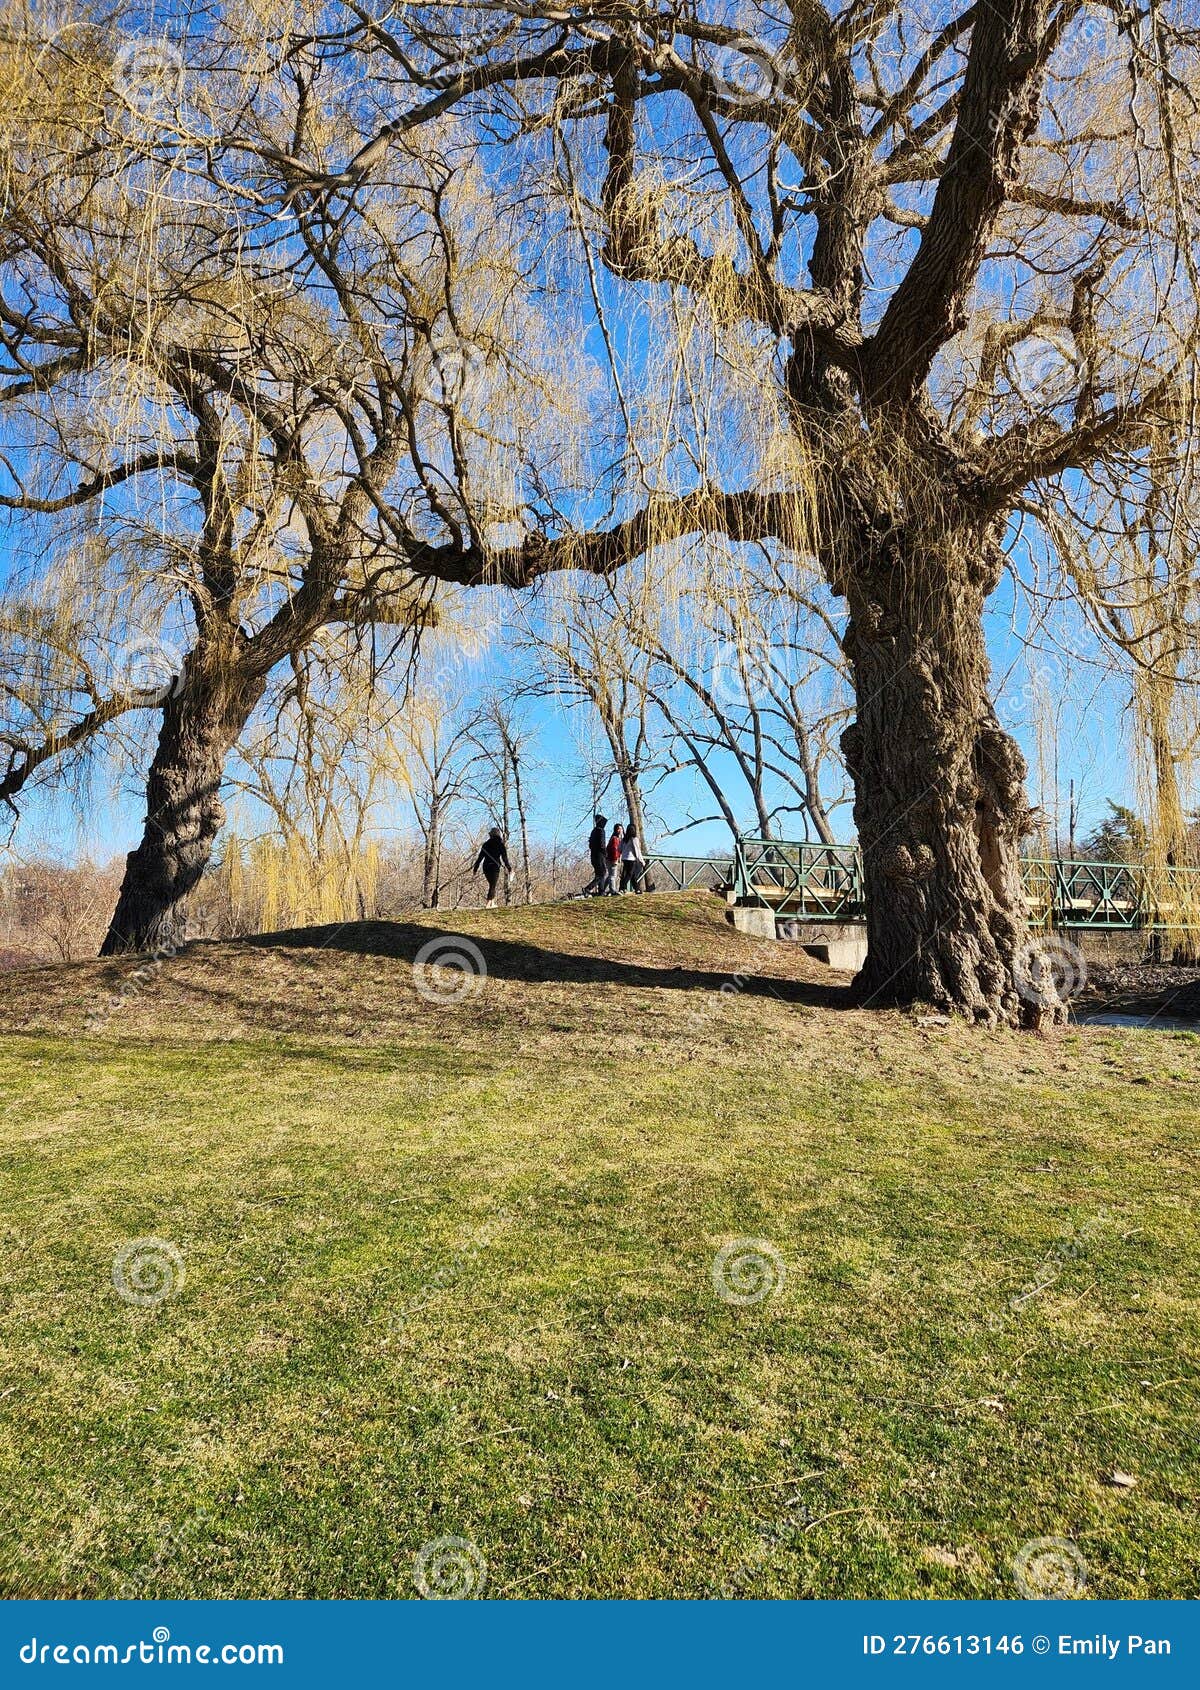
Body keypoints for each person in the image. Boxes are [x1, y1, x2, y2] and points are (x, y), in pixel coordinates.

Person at [473, 827, 511, 908]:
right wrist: (509, 868)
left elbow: (480, 858)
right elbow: (505, 858)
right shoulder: (501, 845)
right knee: (493, 885)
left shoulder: (485, 844)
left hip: (486, 867)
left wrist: (475, 869)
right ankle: (488, 904)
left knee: (492, 884)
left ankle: (492, 903)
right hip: (494, 867)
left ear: (491, 835)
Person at [584, 813, 608, 895]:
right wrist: (605, 853)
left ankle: (601, 891)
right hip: (599, 856)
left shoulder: (593, 831)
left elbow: (590, 845)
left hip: (593, 856)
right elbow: (602, 844)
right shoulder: (601, 831)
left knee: (599, 873)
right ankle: (588, 888)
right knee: (602, 873)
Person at [619, 822, 647, 893]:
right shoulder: (635, 839)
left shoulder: (624, 839)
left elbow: (619, 849)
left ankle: (637, 889)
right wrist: (642, 861)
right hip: (631, 859)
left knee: (631, 874)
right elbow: (637, 851)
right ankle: (622, 888)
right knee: (629, 874)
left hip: (624, 858)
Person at [604, 823, 624, 894]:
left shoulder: (615, 838)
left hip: (609, 859)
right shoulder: (615, 839)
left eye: (621, 829)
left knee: (610, 875)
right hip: (612, 859)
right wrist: (616, 859)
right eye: (619, 829)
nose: (620, 830)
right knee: (613, 875)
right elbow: (615, 849)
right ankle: (613, 890)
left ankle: (602, 889)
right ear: (616, 830)